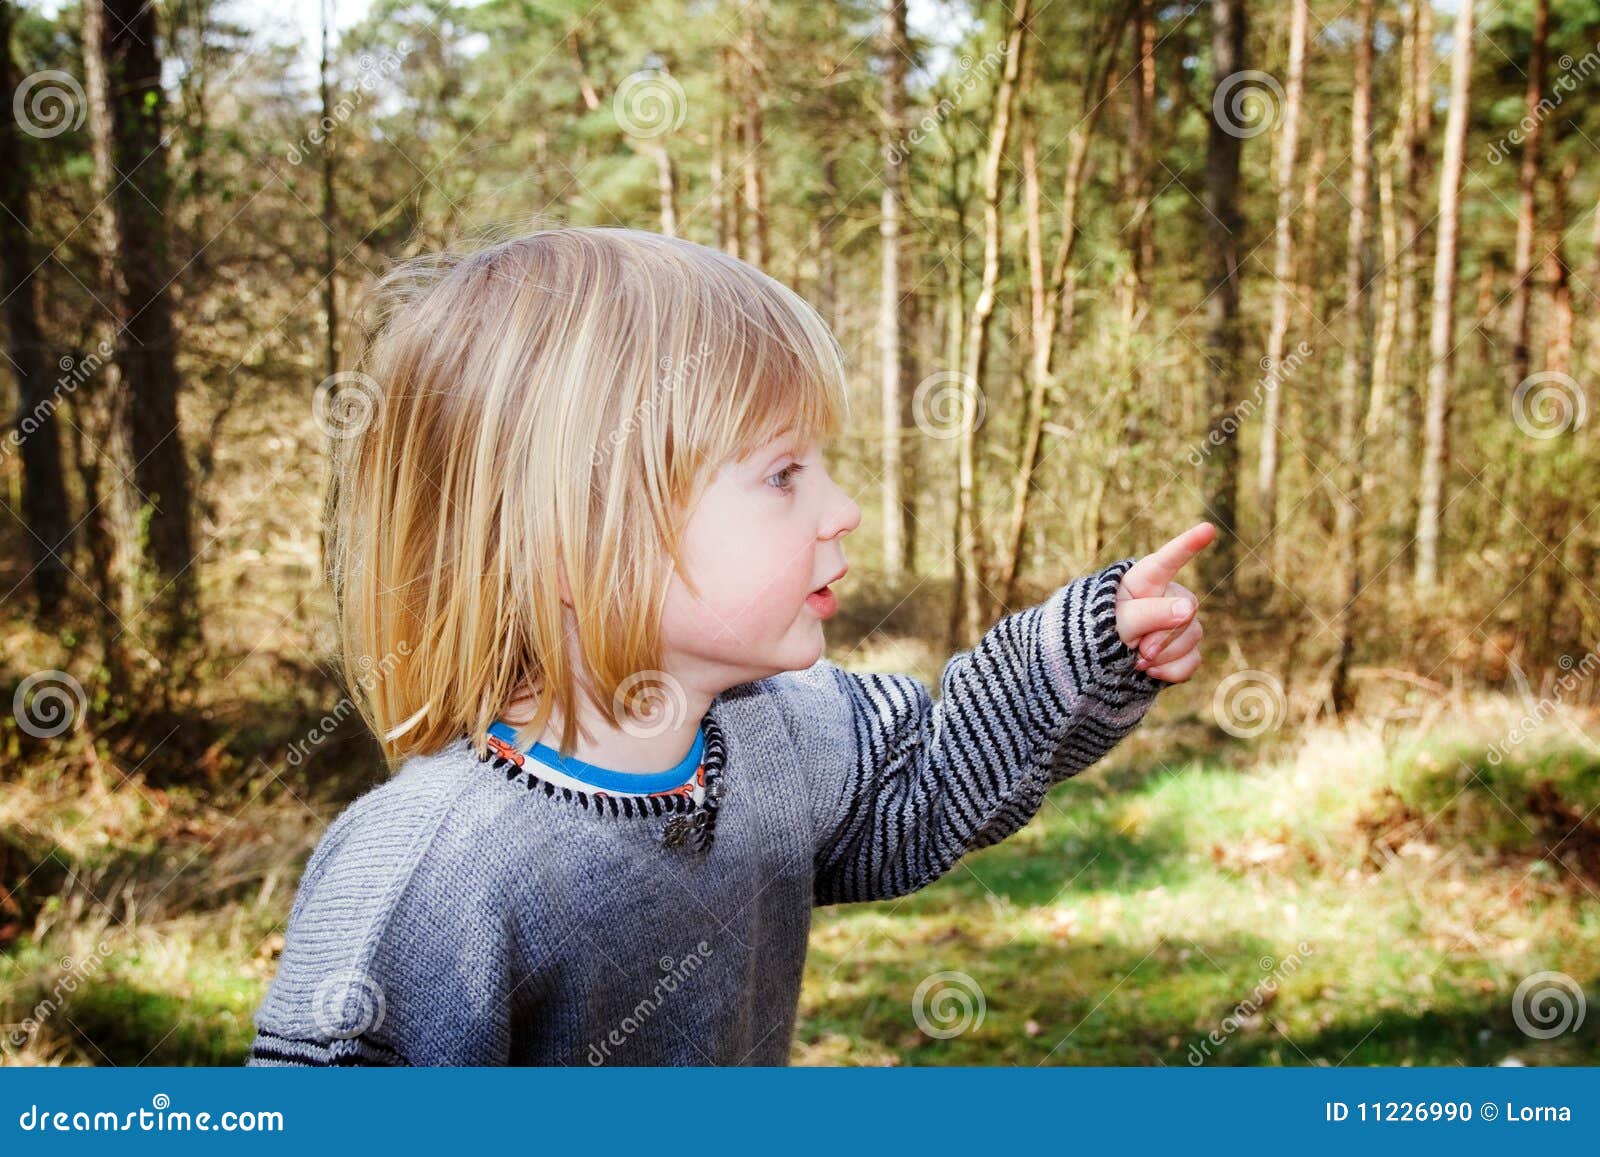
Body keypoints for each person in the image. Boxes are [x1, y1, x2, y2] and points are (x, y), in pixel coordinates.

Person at [246, 226, 1210, 1066]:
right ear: (580, 540)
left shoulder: (784, 733)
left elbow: (936, 779)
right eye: (784, 473)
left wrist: (1088, 651)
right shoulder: (426, 876)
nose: (844, 509)